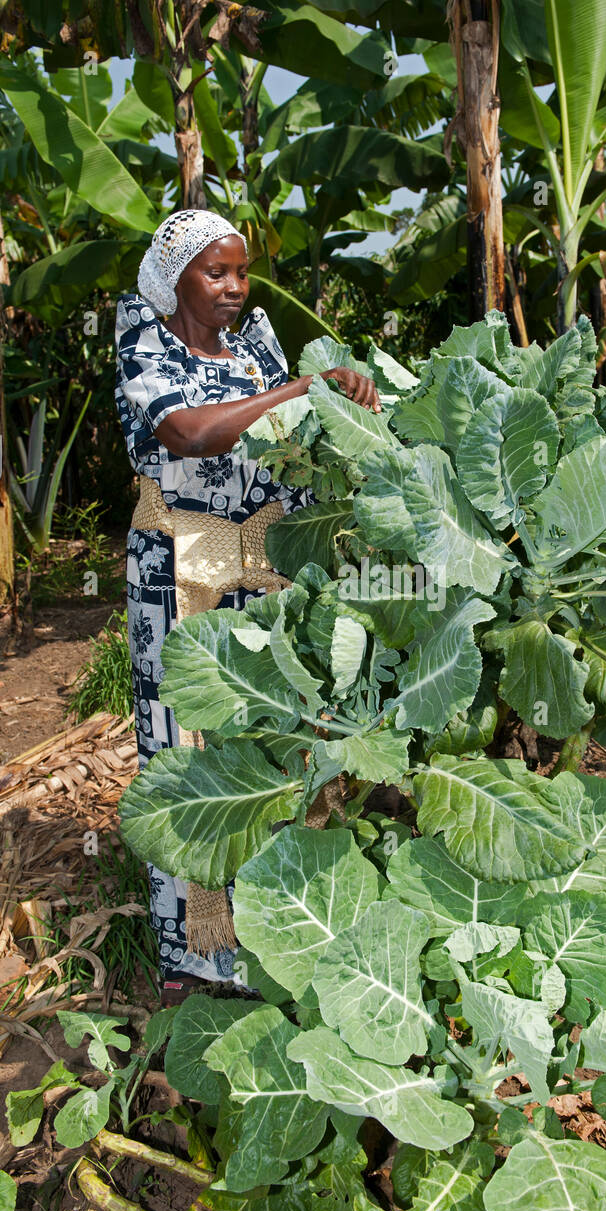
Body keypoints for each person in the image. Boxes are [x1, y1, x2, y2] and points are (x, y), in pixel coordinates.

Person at [114, 208, 379, 1004]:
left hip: (265, 566)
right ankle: (196, 953)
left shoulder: (256, 338)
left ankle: (285, 928)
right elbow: (192, 434)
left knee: (276, 740)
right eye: (216, 272)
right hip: (180, 569)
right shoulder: (144, 337)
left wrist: (346, 402)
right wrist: (300, 389)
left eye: (241, 271)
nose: (234, 287)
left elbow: (294, 430)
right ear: (177, 278)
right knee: (185, 749)